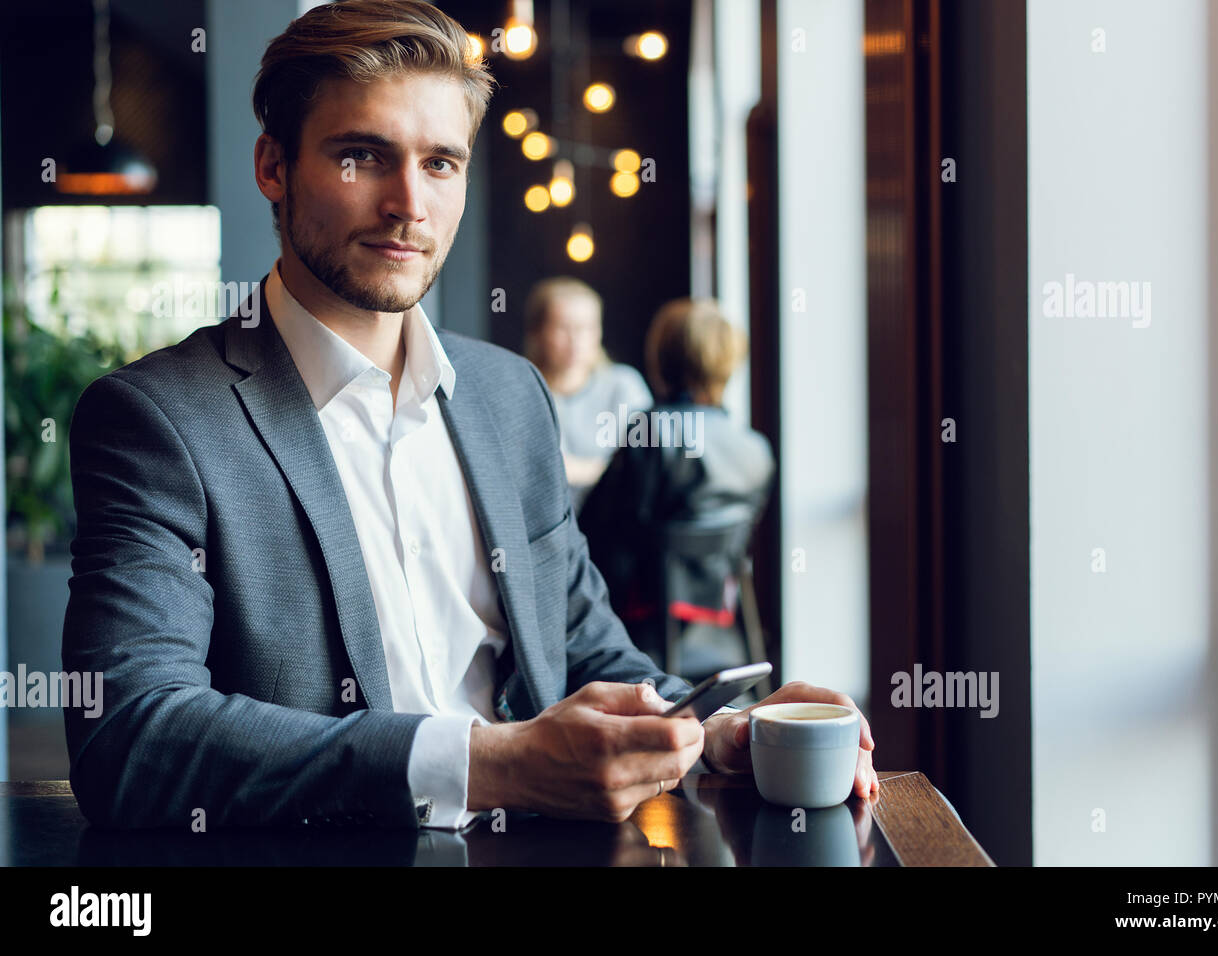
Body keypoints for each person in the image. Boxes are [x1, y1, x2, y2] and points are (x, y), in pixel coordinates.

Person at [60, 0, 877, 832]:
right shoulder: (160, 420)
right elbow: (130, 739)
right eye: (362, 156)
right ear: (274, 166)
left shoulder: (508, 395)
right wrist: (491, 765)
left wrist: (717, 731)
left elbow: (589, 654)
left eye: (441, 163)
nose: (408, 203)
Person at [579, 298, 775, 660]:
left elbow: (593, 532)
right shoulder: (756, 448)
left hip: (635, 633)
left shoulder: (653, 431)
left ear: (662, 360)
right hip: (722, 624)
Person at [523, 277, 653, 512]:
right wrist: (603, 470)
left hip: (613, 525)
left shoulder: (624, 384)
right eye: (563, 328)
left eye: (586, 328)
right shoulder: (521, 389)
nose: (575, 340)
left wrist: (569, 470)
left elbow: (644, 468)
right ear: (538, 332)